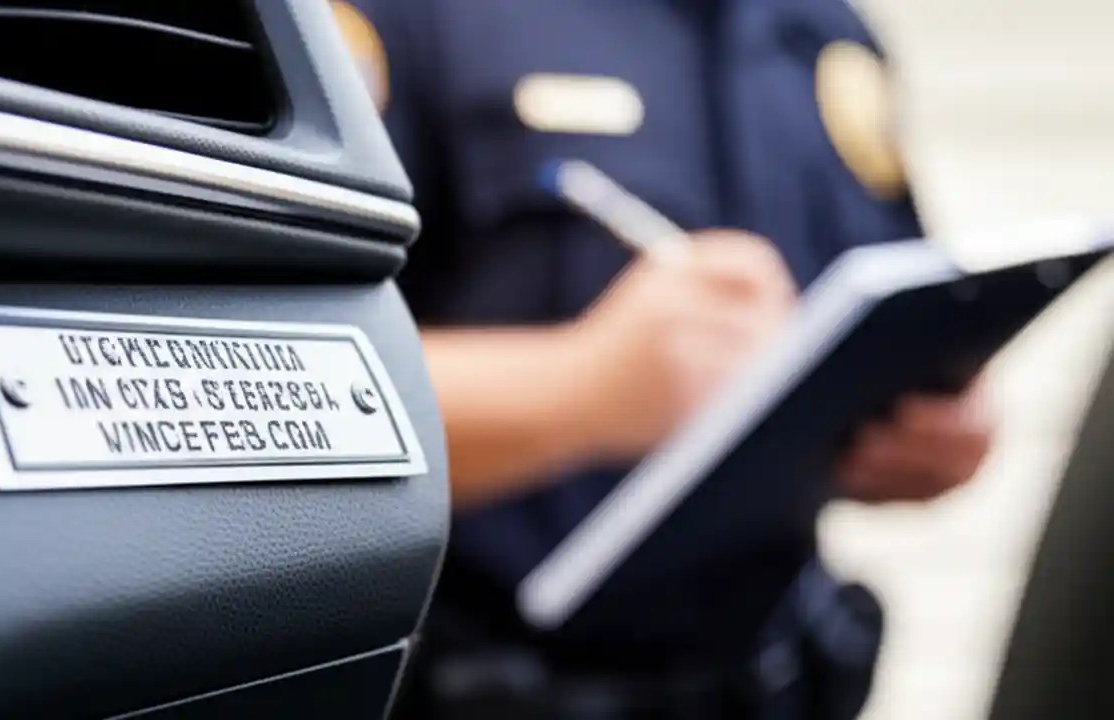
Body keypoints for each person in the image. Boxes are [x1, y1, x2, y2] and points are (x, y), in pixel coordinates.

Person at [333, 0, 994, 717]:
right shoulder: (405, 18)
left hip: (777, 674)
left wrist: (926, 425)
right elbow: (270, 392)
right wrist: (579, 387)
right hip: (489, 680)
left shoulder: (824, 31)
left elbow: (877, 304)